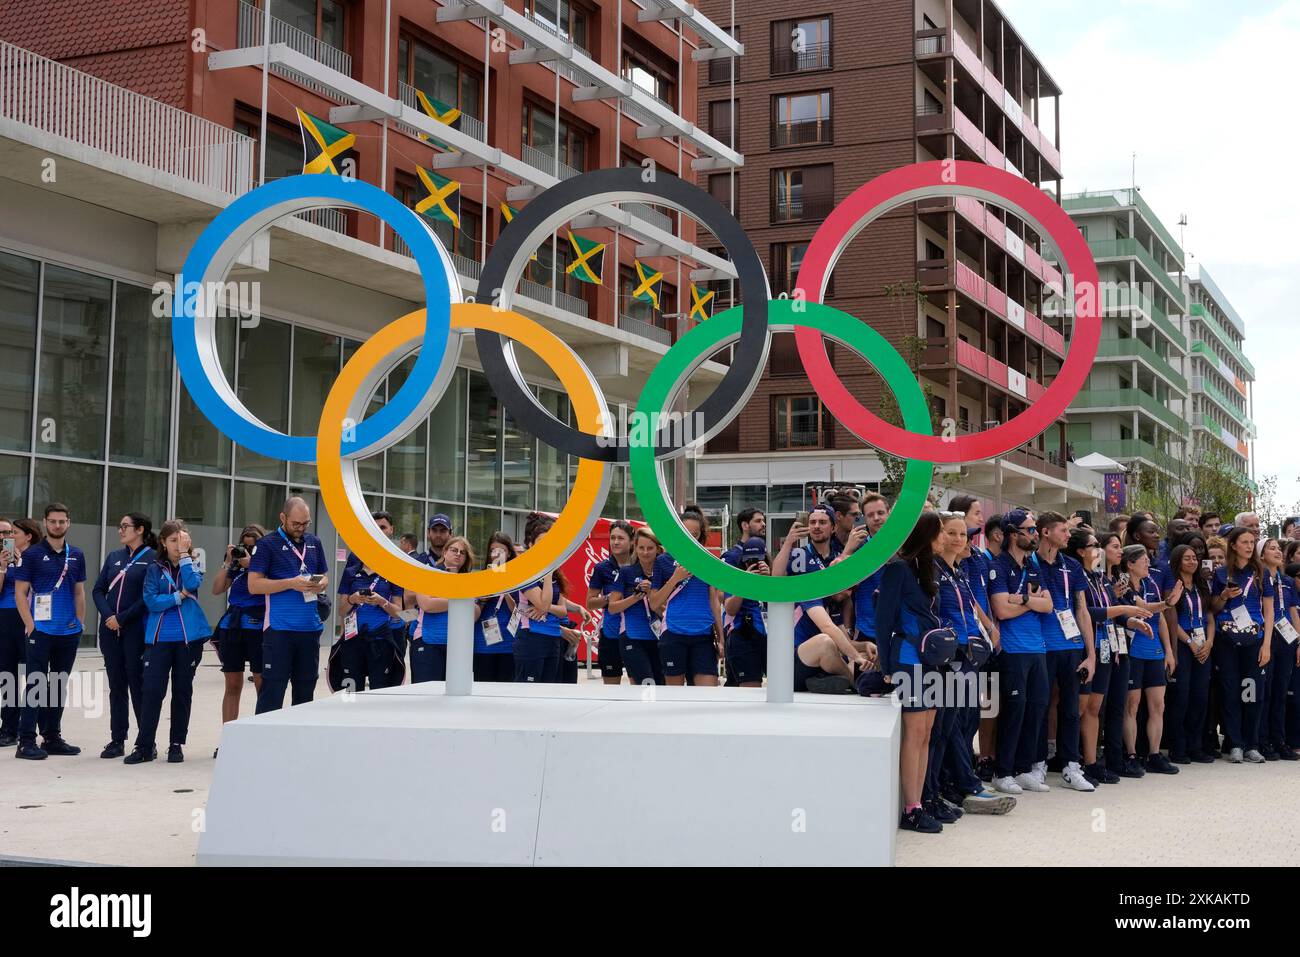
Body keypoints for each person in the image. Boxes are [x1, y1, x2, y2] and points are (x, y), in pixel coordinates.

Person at [933, 512, 1013, 816]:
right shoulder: (934, 570)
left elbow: (972, 603)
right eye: (952, 534)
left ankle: (959, 780)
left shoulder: (960, 570)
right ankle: (964, 783)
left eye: (964, 535)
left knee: (968, 720)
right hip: (950, 654)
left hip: (971, 651)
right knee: (951, 723)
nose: (960, 540)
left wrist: (990, 628)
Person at [874, 512, 947, 832]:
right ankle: (911, 808)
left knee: (928, 732)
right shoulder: (898, 569)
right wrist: (888, 667)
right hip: (907, 659)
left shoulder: (929, 569)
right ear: (927, 535)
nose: (945, 538)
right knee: (915, 733)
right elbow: (883, 620)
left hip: (932, 659)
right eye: (941, 532)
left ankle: (921, 800)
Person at [1066, 529, 1151, 784]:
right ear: (1081, 551)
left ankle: (1094, 761)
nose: (1100, 551)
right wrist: (1122, 608)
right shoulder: (1078, 576)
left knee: (1099, 707)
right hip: (1087, 647)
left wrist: (1131, 621)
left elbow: (1113, 614)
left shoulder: (1100, 577)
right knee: (1085, 708)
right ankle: (1080, 760)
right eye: (1095, 546)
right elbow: (1085, 612)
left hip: (1108, 645)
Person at [125, 521, 209, 764]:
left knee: (182, 691)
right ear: (163, 542)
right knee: (151, 692)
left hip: (188, 639)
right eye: (173, 541)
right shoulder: (153, 568)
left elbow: (193, 584)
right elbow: (151, 601)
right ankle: (144, 745)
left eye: (182, 541)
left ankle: (176, 744)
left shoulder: (193, 563)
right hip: (159, 638)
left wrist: (184, 556)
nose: (177, 545)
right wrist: (178, 596)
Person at [12, 504, 87, 760]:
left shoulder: (76, 554)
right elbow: (20, 593)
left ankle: (52, 736)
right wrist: (30, 625)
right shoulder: (32, 554)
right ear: (45, 523)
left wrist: (79, 623)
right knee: (36, 683)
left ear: (69, 523)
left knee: (58, 685)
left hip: (67, 632)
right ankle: (26, 741)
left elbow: (79, 592)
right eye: (53, 521)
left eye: (62, 521)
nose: (57, 526)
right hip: (40, 630)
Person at [988, 510, 1054, 794]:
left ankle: (1025, 768)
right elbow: (1001, 609)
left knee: (1036, 709)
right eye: (1030, 530)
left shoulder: (1033, 566)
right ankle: (1002, 772)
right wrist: (1033, 601)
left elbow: (1049, 605)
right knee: (1014, 711)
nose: (1035, 534)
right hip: (1013, 650)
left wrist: (1025, 599)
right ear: (1013, 534)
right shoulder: (999, 566)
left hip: (1037, 647)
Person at [1034, 511, 1097, 791]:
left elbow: (1082, 609)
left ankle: (1072, 765)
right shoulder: (1030, 562)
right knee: (1041, 706)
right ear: (1045, 532)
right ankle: (1037, 764)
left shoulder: (1072, 565)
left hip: (1071, 645)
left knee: (1072, 709)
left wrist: (1091, 653)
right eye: (1063, 530)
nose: (1068, 535)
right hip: (1041, 645)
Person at [248, 497, 330, 713]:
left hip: (309, 630)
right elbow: (254, 585)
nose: (301, 528)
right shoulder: (267, 545)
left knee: (305, 695)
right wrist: (291, 583)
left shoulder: (314, 542)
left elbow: (325, 578)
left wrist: (320, 584)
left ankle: (299, 745)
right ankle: (265, 745)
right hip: (279, 630)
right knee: (272, 693)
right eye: (296, 524)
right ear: (283, 518)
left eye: (306, 523)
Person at [91, 513, 158, 759]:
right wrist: (109, 616)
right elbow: (98, 589)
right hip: (110, 630)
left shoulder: (152, 558)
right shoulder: (114, 557)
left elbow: (147, 596)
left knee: (137, 683)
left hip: (134, 628)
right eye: (119, 526)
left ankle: (145, 743)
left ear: (140, 529)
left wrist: (122, 618)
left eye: (125, 526)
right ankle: (117, 739)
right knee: (116, 684)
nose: (120, 530)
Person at [1210, 525, 1272, 763]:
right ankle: (1234, 743)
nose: (1249, 546)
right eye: (1244, 542)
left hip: (1254, 639)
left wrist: (1266, 644)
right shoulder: (1221, 573)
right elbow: (1213, 608)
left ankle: (1251, 744)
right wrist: (1223, 597)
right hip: (1227, 640)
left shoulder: (1261, 573)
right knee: (1230, 690)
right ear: (1233, 545)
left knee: (1252, 691)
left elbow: (1268, 608)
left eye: (1251, 542)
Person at [1115, 545, 1178, 774]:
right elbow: (1143, 608)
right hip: (1132, 650)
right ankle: (1131, 754)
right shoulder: (1123, 584)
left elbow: (1158, 618)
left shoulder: (1151, 583)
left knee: (1158, 705)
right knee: (1132, 704)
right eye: (1143, 561)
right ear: (1130, 564)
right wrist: (1169, 603)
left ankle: (1153, 754)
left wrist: (1168, 650)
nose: (1148, 564)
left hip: (1154, 650)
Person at [652, 508, 723, 687]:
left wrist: (722, 636)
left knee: (708, 696)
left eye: (695, 533)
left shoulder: (708, 560)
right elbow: (654, 603)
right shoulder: (663, 561)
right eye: (685, 532)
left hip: (703, 635)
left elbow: (714, 600)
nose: (690, 537)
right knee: (675, 698)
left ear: (701, 535)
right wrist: (675, 578)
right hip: (673, 634)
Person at [1162, 542, 1216, 764]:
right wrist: (1191, 643)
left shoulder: (1202, 585)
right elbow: (1171, 618)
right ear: (1177, 561)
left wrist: (1210, 641)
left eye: (1194, 558)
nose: (1192, 561)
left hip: (1204, 644)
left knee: (1200, 697)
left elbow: (1210, 615)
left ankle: (1196, 746)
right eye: (1187, 558)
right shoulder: (1173, 586)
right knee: (1181, 697)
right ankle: (1178, 747)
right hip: (1184, 645)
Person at [210, 524, 267, 733]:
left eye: (254, 547)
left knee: (262, 683)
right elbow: (216, 589)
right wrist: (228, 562)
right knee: (232, 684)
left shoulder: (266, 564)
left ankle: (262, 735)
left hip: (258, 625)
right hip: (232, 626)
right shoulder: (235, 565)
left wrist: (253, 564)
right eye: (245, 546)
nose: (248, 551)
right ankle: (228, 737)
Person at [337, 551, 407, 692]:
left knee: (380, 689)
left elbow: (399, 614)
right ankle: (349, 714)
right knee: (350, 690)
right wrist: (352, 599)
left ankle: (378, 715)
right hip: (353, 639)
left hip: (380, 639)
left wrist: (382, 602)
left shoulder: (391, 572)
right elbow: (342, 611)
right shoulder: (351, 572)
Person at [411, 536, 478, 683]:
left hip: (458, 645)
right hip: (428, 642)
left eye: (463, 552)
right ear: (445, 552)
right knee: (427, 694)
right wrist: (461, 599)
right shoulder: (427, 574)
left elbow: (474, 613)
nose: (458, 554)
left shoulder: (469, 580)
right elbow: (427, 605)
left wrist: (442, 600)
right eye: (454, 550)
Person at [515, 515, 571, 683]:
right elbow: (543, 604)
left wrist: (547, 607)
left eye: (551, 543)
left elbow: (562, 611)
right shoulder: (525, 571)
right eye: (542, 543)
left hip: (553, 638)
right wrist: (547, 574)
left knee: (548, 692)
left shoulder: (555, 572)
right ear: (531, 545)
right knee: (528, 694)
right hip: (532, 638)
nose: (547, 548)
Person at [610, 527, 667, 686]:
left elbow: (667, 612)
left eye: (650, 548)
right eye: (641, 548)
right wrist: (635, 597)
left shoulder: (665, 573)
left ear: (658, 549)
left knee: (661, 685)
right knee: (647, 683)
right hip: (632, 636)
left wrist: (651, 595)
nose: (645, 552)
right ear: (635, 548)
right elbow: (612, 608)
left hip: (659, 638)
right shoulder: (626, 572)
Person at [0, 518, 39, 747]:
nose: (7, 537)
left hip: (28, 618)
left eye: (12, 532)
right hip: (5, 617)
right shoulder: (5, 558)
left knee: (34, 674)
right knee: (7, 675)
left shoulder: (34, 557)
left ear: (28, 535)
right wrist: (3, 567)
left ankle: (31, 726)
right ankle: (9, 727)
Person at [1259, 538, 1299, 760]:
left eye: (1278, 549)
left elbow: (1293, 613)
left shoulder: (1287, 580)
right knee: (1266, 690)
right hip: (1267, 636)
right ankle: (1262, 739)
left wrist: (1299, 641)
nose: (1277, 552)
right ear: (1261, 554)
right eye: (1271, 548)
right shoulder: (1259, 578)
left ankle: (1279, 739)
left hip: (1287, 637)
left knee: (1281, 691)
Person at [586, 521, 633, 685]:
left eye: (621, 538)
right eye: (612, 538)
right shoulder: (602, 568)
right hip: (611, 633)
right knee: (611, 688)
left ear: (632, 541)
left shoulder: (639, 565)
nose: (616, 542)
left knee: (641, 686)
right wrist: (610, 598)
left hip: (637, 633)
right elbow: (590, 603)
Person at [721, 537, 770, 687]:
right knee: (750, 688)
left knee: (779, 686)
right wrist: (745, 584)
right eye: (749, 560)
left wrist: (769, 581)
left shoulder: (774, 576)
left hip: (770, 637)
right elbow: (730, 609)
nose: (753, 564)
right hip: (744, 635)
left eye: (757, 560)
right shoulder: (736, 578)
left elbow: (782, 605)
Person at [471, 532, 518, 683]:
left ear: (509, 553)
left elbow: (516, 610)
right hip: (483, 643)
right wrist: (484, 597)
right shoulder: (481, 576)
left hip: (509, 643)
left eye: (501, 550)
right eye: (493, 550)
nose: (497, 554)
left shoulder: (518, 578)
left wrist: (505, 586)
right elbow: (475, 608)